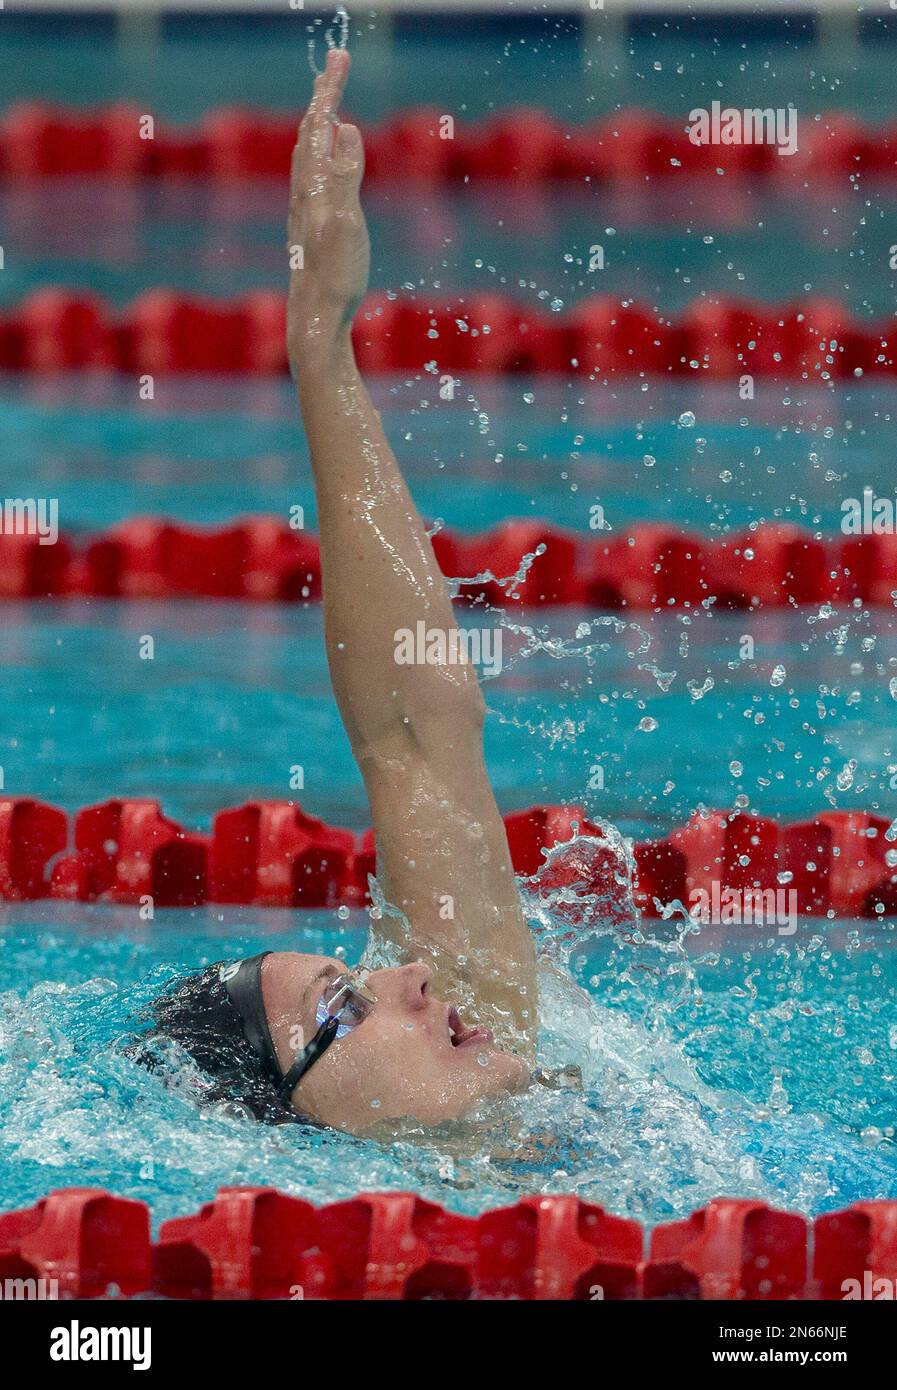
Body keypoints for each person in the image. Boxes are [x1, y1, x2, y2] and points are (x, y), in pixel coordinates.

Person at [134, 50, 538, 1137]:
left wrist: (322, 341)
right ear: (298, 1117)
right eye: (345, 1006)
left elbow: (417, 728)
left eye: (355, 980)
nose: (413, 975)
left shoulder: (505, 1079)